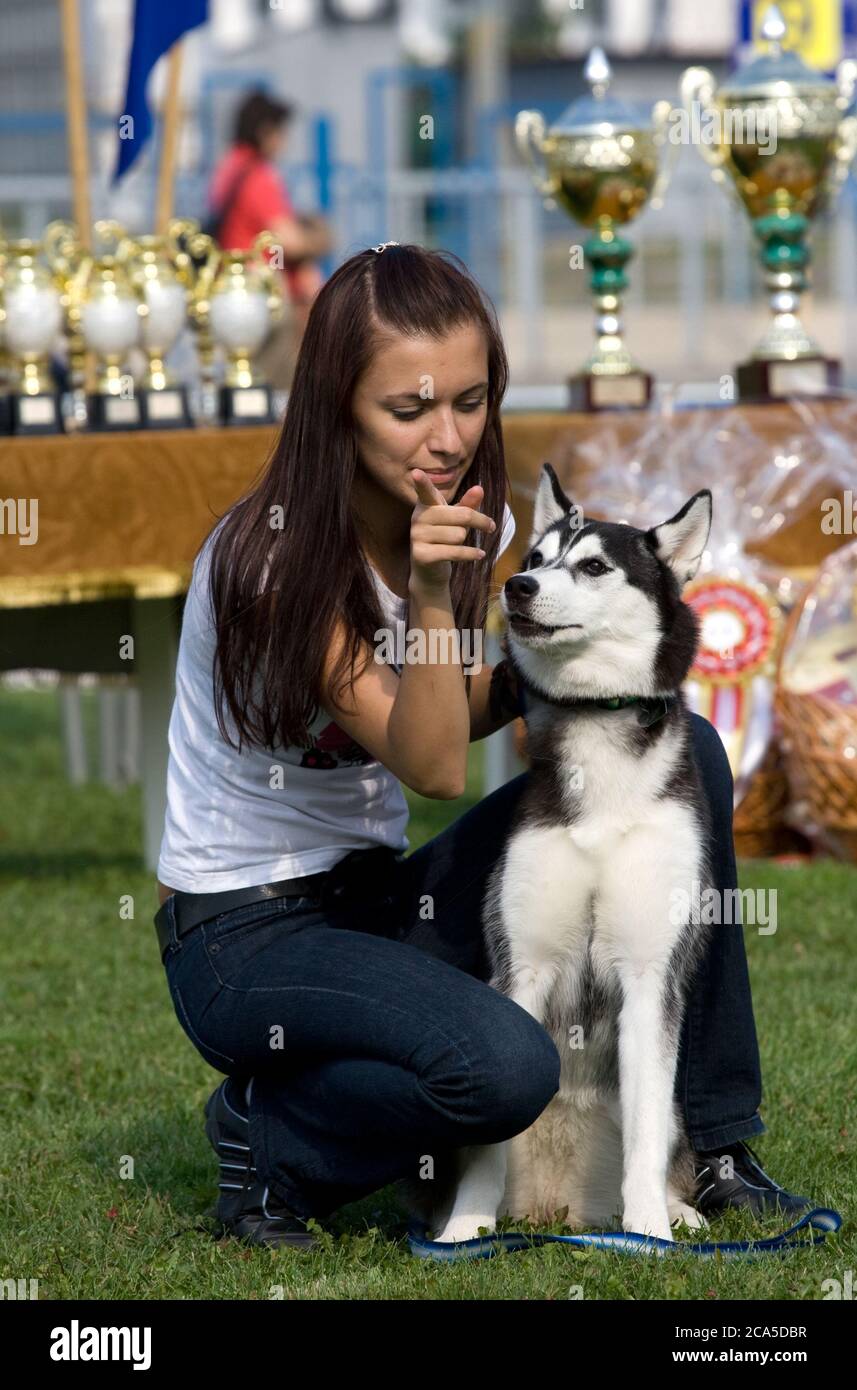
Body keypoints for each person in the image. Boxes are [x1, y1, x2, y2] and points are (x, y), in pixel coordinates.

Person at [153, 243, 811, 1252]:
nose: (447, 437)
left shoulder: (467, 514)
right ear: (335, 405)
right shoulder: (273, 562)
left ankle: (711, 1145)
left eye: (469, 401)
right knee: (503, 1069)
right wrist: (425, 594)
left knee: (688, 759)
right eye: (407, 410)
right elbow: (430, 764)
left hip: (378, 897)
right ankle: (269, 1134)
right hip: (245, 937)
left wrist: (576, 658)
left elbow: (444, 706)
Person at [206, 88, 332, 391]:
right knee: (278, 391)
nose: (284, 141)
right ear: (265, 132)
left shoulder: (228, 167)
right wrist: (319, 239)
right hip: (264, 298)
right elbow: (290, 242)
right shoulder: (259, 175)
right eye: (281, 132)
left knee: (242, 386)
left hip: (230, 294)